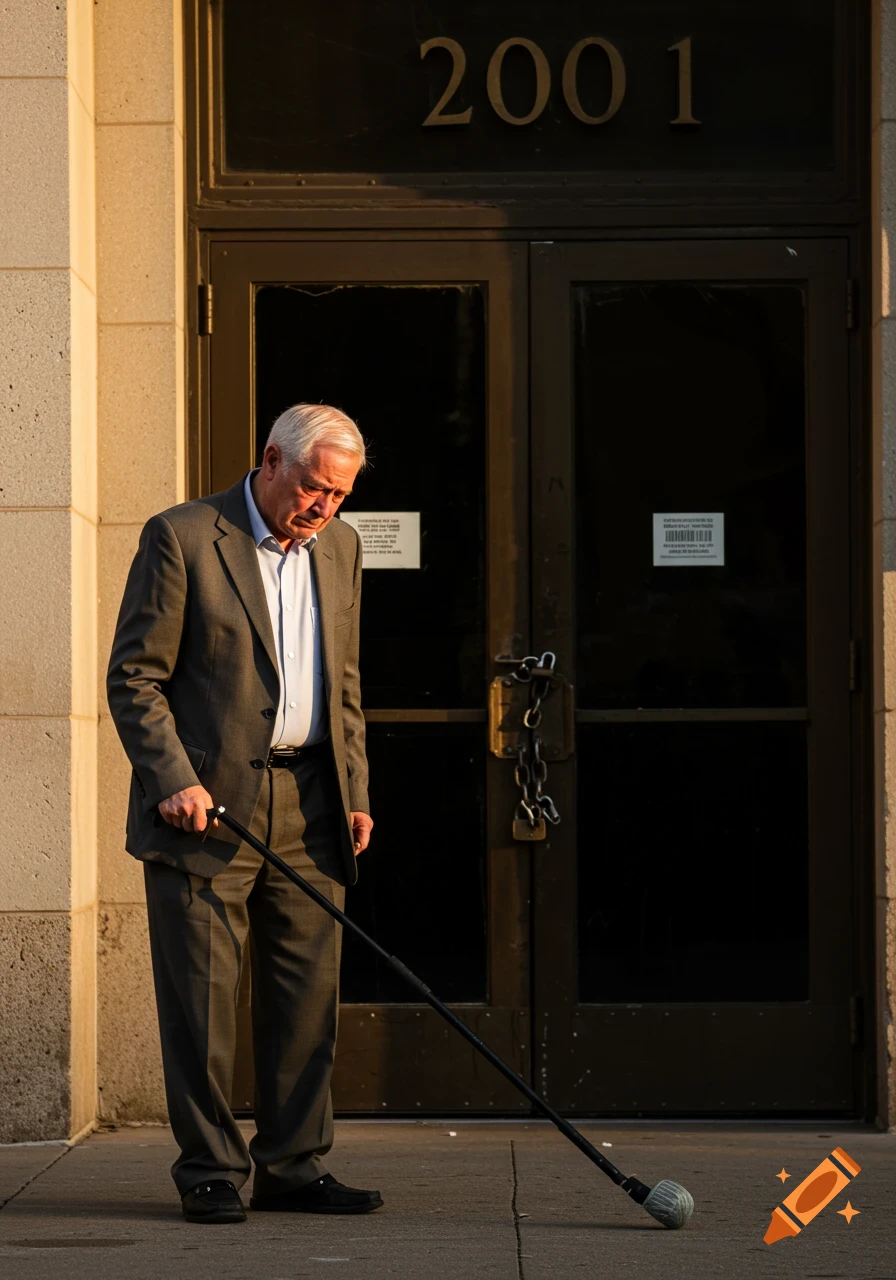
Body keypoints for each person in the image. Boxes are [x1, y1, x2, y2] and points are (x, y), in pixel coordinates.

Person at [107, 403, 381, 1224]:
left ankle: (295, 1166)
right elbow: (135, 679)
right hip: (206, 808)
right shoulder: (183, 536)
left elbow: (346, 686)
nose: (323, 509)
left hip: (312, 803)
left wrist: (356, 788)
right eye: (314, 488)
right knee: (203, 999)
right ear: (271, 460)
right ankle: (210, 1170)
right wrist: (172, 779)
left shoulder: (341, 549)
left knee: (306, 998)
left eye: (340, 496)